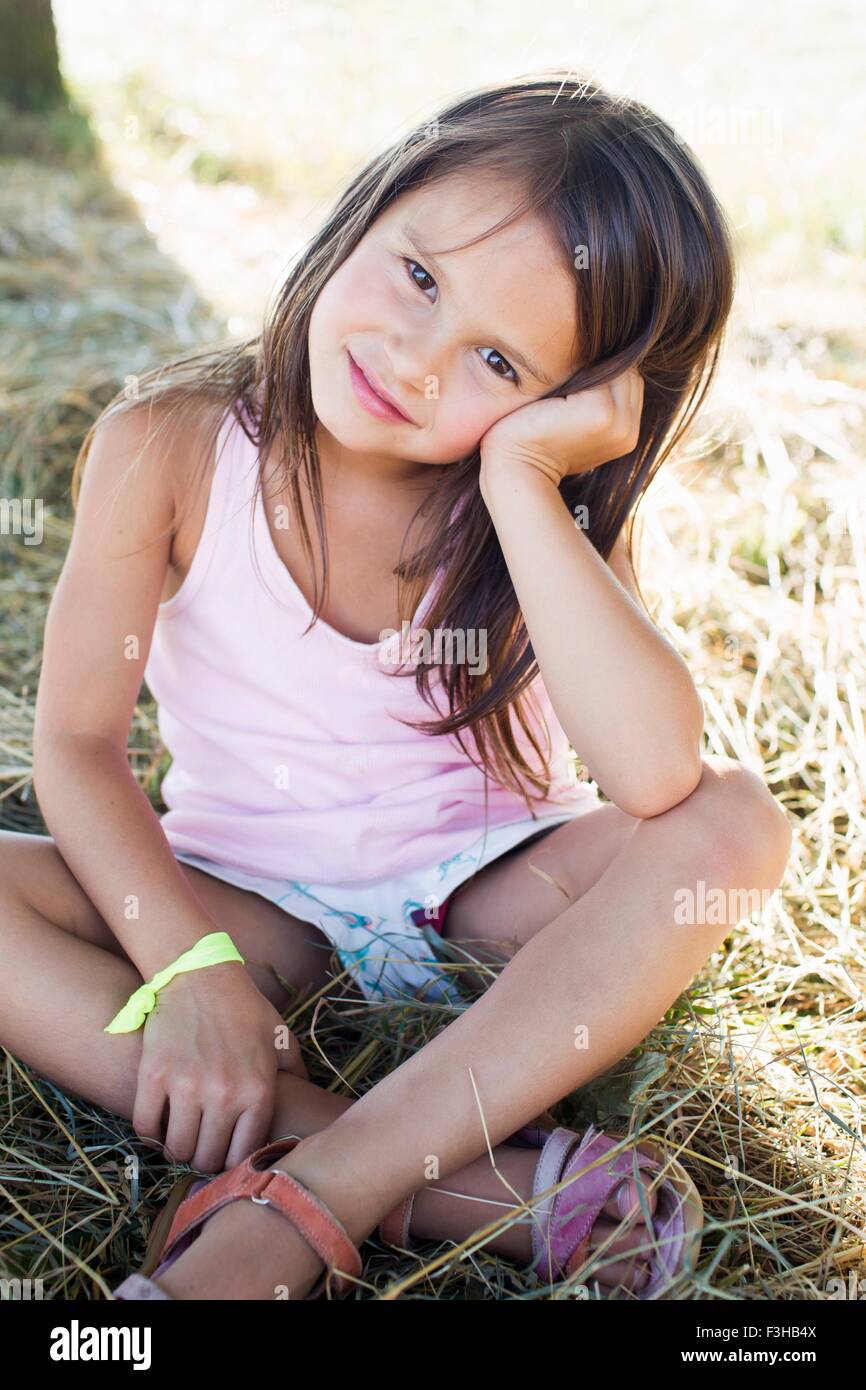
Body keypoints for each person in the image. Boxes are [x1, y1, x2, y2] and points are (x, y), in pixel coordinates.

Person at [2, 72, 791, 1300]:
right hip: (254, 911)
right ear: (370, 207)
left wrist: (527, 488)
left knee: (733, 824)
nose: (417, 362)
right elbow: (78, 745)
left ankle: (324, 1187)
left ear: (570, 405)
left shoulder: (538, 510)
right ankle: (474, 1188)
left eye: (496, 359)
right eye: (421, 277)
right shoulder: (166, 443)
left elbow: (649, 777)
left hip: (484, 907)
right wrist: (190, 964)